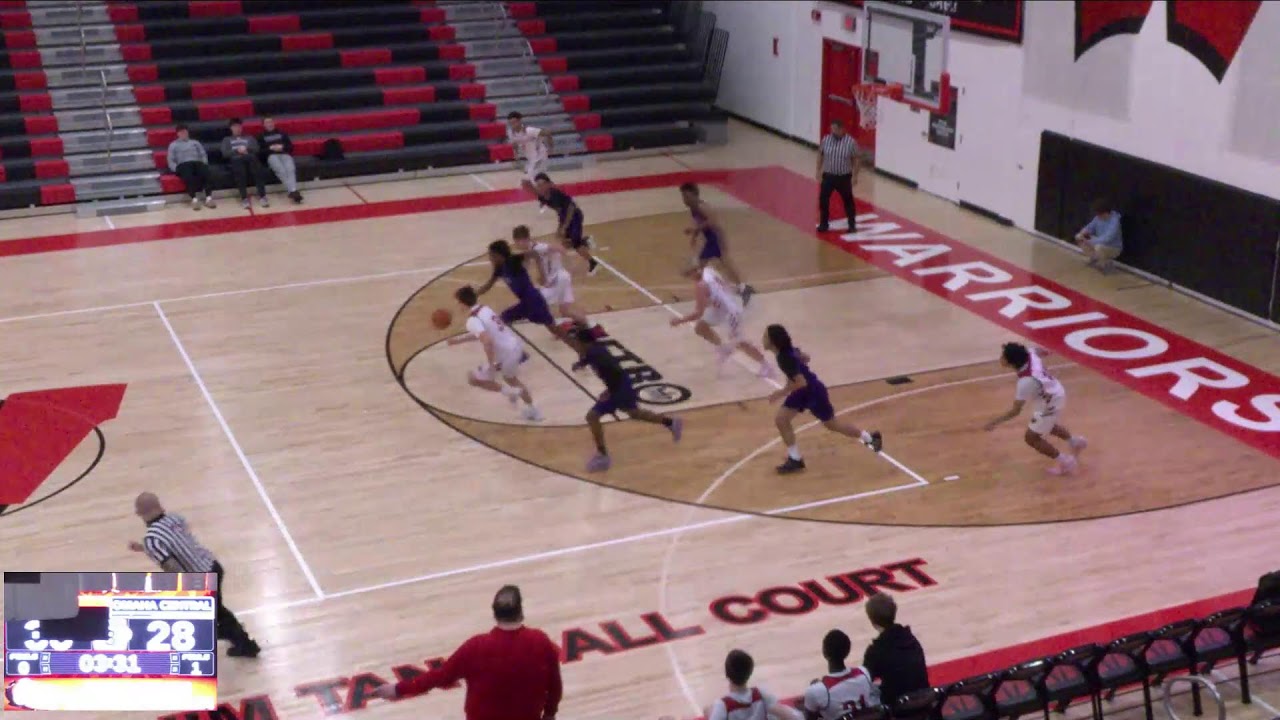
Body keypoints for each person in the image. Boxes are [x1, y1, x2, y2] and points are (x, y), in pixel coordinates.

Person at [371, 585, 562, 720]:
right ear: (521, 611)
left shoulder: (476, 647)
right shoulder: (541, 641)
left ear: (494, 613)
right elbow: (555, 686)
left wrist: (398, 690)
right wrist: (550, 713)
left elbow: (439, 677)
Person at [126, 492, 260, 658]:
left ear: (139, 514)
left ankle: (237, 640)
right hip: (212, 565)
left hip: (200, 578)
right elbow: (177, 543)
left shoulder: (152, 539)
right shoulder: (176, 519)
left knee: (207, 616)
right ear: (160, 506)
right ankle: (241, 641)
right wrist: (143, 548)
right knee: (217, 611)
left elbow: (172, 567)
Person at [764, 324, 882, 474]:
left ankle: (870, 438)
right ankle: (795, 459)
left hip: (812, 391)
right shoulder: (785, 353)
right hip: (803, 392)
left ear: (773, 341)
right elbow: (806, 358)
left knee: (832, 424)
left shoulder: (784, 357)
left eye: (765, 336)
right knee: (781, 420)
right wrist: (798, 361)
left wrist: (780, 393)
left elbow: (801, 382)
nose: (763, 339)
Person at [566, 325, 683, 473]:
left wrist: (609, 391)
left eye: (576, 342)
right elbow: (589, 360)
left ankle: (603, 456)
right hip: (622, 386)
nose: (575, 345)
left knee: (592, 416)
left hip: (619, 388)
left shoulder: (598, 355)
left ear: (584, 343)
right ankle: (671, 422)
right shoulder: (593, 350)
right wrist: (580, 364)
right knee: (634, 413)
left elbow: (614, 372)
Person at [982, 342, 1087, 475]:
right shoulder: (1030, 355)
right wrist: (1047, 351)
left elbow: (1016, 411)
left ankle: (1066, 462)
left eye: (1003, 356)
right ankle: (1075, 442)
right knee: (1048, 424)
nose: (1000, 358)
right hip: (1053, 392)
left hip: (1050, 402)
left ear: (1011, 362)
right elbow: (1037, 350)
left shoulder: (1026, 383)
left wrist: (994, 422)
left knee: (1031, 438)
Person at [447, 285, 543, 422]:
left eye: (458, 302)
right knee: (511, 379)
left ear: (462, 303)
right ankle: (533, 410)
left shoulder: (472, 321)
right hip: (515, 346)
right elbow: (483, 334)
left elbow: (487, 341)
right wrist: (458, 340)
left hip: (505, 354)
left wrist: (491, 365)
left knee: (473, 378)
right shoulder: (485, 309)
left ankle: (510, 392)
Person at [669, 264, 772, 378]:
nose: (690, 278)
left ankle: (766, 365)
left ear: (693, 272)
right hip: (722, 307)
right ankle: (723, 348)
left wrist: (679, 320)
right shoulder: (709, 270)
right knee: (700, 327)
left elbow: (698, 313)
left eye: (688, 275)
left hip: (731, 311)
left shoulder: (701, 286)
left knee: (740, 342)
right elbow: (722, 286)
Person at [511, 224, 601, 334]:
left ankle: (557, 330)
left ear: (523, 240)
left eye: (516, 241)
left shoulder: (538, 248)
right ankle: (590, 325)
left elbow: (558, 248)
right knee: (565, 311)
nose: (516, 244)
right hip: (561, 278)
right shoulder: (532, 249)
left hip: (558, 279)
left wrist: (568, 263)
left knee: (538, 303)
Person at [681, 182, 755, 305]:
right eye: (683, 197)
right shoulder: (693, 208)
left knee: (710, 264)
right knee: (718, 264)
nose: (685, 199)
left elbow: (713, 221)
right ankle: (740, 288)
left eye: (687, 196)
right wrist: (694, 235)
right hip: (711, 239)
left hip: (714, 238)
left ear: (694, 195)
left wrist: (696, 231)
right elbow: (699, 223)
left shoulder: (700, 206)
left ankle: (738, 289)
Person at [473, 239, 562, 341]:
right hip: (528, 301)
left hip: (533, 300)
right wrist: (476, 294)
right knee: (505, 318)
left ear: (498, 255)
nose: (490, 259)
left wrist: (542, 274)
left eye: (491, 256)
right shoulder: (499, 269)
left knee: (504, 318)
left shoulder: (512, 261)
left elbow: (534, 253)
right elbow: (488, 284)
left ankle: (573, 339)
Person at [862, 593, 929, 706]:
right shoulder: (910, 638)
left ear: (872, 621)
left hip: (898, 707)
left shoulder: (876, 651)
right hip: (924, 700)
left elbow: (863, 681)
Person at [803, 630, 879, 720]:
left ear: (824, 652)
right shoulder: (864, 673)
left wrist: (816, 689)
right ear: (847, 651)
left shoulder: (816, 691)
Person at [706, 649, 802, 720]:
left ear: (727, 674)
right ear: (750, 673)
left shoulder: (723, 705)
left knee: (708, 710)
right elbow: (794, 717)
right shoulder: (761, 693)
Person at [533, 172, 598, 275]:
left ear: (548, 184)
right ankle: (586, 241)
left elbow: (571, 208)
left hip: (574, 216)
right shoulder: (542, 197)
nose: (539, 187)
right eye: (538, 185)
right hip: (564, 216)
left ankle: (593, 262)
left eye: (542, 184)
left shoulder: (556, 194)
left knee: (575, 244)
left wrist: (564, 226)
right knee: (565, 242)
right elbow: (558, 209)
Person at [816, 120, 859, 233]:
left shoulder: (850, 142)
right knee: (823, 200)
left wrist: (855, 176)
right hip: (828, 176)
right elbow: (820, 154)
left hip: (843, 177)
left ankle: (852, 225)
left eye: (835, 129)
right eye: (832, 129)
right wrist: (818, 170)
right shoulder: (826, 140)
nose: (833, 132)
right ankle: (823, 224)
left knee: (848, 201)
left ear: (842, 129)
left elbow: (856, 159)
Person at [220, 117, 269, 209]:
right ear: (231, 128)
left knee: (256, 167)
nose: (237, 128)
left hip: (249, 158)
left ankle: (262, 196)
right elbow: (225, 153)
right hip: (236, 159)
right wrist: (237, 151)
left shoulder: (249, 137)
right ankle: (244, 198)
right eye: (235, 127)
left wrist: (247, 149)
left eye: (239, 126)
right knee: (240, 171)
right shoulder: (226, 139)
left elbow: (256, 149)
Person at [507, 111, 552, 207]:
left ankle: (548, 197)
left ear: (520, 121)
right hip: (531, 159)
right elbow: (514, 144)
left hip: (540, 156)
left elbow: (547, 133)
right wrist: (516, 156)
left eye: (515, 122)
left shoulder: (530, 130)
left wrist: (551, 149)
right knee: (525, 183)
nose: (513, 125)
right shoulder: (511, 133)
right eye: (511, 123)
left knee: (534, 177)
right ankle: (545, 196)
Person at [166, 125, 215, 210]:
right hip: (183, 164)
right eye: (181, 132)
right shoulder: (173, 145)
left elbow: (203, 154)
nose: (183, 134)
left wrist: (204, 163)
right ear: (177, 134)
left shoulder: (195, 143)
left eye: (185, 132)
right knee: (188, 175)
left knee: (206, 172)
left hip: (197, 162)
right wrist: (176, 169)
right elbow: (170, 160)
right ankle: (194, 199)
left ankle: (209, 198)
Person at [256, 116, 302, 204]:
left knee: (290, 169)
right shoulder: (260, 136)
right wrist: (271, 148)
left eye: (270, 122)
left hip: (284, 153)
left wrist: (282, 147)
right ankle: (293, 191)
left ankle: (292, 192)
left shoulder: (282, 133)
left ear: (274, 123)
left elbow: (290, 147)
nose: (269, 124)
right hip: (271, 155)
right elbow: (260, 152)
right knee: (281, 170)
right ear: (263, 125)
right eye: (267, 123)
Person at [1074, 198, 1123, 274]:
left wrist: (1091, 241)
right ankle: (1095, 259)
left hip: (1113, 248)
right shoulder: (1098, 217)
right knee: (1081, 240)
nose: (1098, 216)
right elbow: (1090, 227)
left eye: (1099, 214)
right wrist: (1081, 234)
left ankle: (1107, 265)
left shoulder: (1114, 221)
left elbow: (1107, 239)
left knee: (1099, 247)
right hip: (1099, 243)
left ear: (1105, 213)